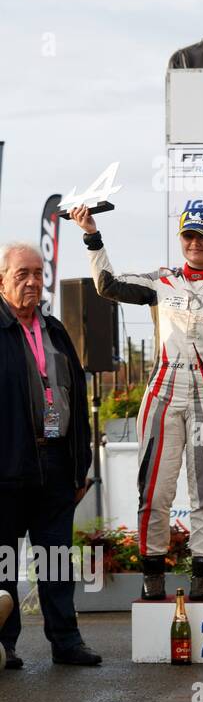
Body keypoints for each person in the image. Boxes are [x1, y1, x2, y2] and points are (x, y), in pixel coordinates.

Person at [72, 205, 203, 601]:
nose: (195, 243)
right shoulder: (163, 280)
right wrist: (92, 236)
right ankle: (152, 574)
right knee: (154, 491)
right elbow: (107, 284)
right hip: (162, 394)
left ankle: (202, 578)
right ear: (181, 239)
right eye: (189, 236)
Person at [0, 241, 99, 667]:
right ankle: (4, 645)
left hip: (56, 462)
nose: (32, 282)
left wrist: (81, 467)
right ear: (1, 279)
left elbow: (76, 400)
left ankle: (66, 641)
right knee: (4, 560)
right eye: (22, 274)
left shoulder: (55, 330)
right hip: (7, 467)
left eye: (38, 274)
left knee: (57, 559)